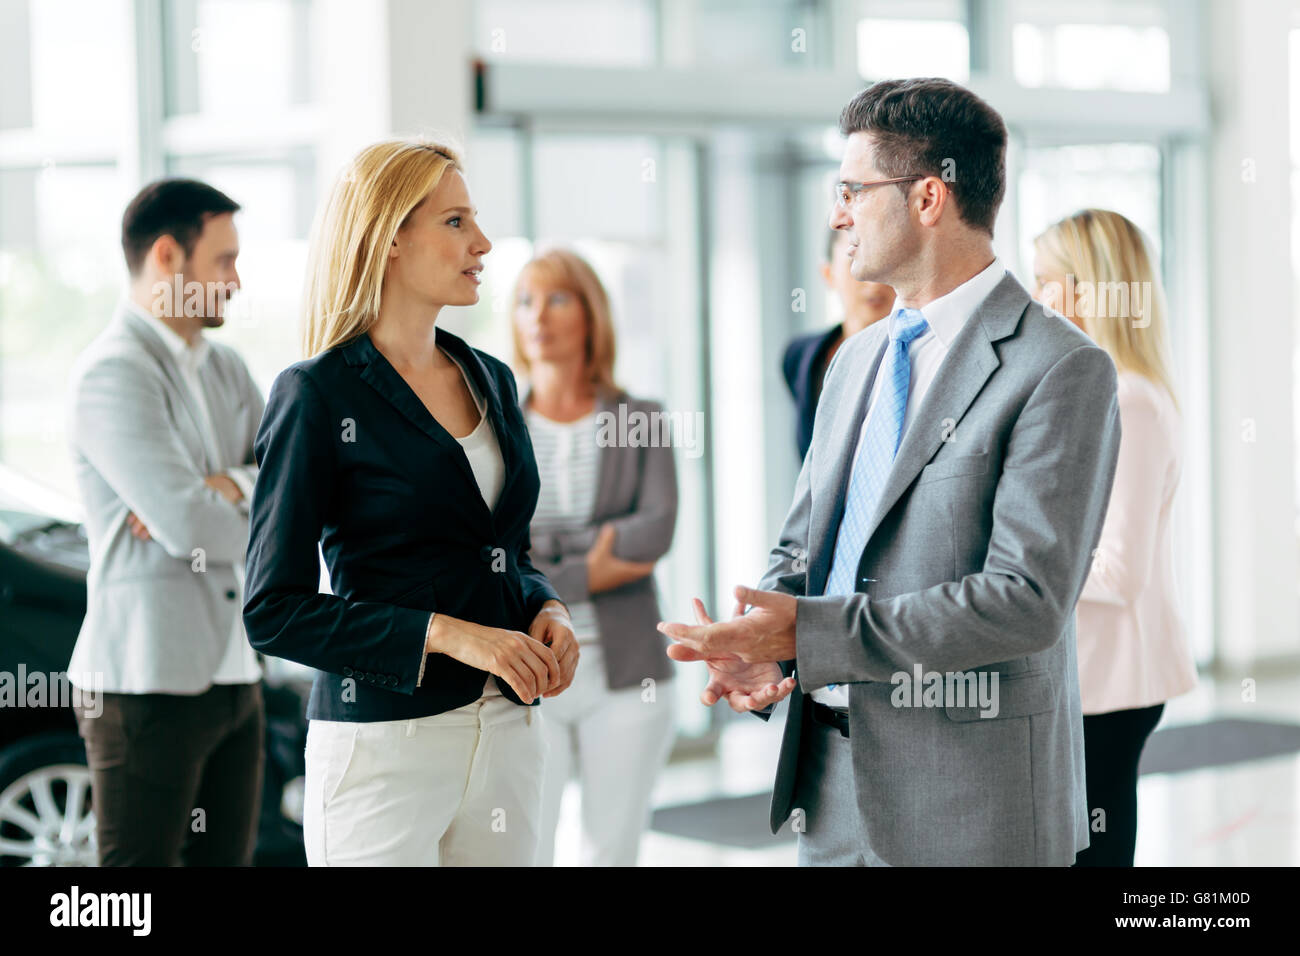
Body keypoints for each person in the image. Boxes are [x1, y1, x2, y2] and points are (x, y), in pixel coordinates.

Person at [660, 77, 1123, 866]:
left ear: (928, 198)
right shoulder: (859, 359)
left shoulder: (1060, 368)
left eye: (852, 190)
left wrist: (812, 635)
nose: (839, 212)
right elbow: (807, 547)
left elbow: (1025, 603)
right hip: (831, 794)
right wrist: (767, 645)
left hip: (972, 806)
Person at [242, 138, 578, 867]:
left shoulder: (490, 377)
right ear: (390, 238)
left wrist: (545, 606)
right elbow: (274, 611)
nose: (483, 243)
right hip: (383, 749)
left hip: (508, 740)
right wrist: (451, 634)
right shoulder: (317, 394)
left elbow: (506, 549)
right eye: (456, 221)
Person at [67, 178, 266, 866]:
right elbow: (191, 527)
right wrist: (216, 502)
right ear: (166, 257)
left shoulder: (229, 369)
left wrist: (229, 485)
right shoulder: (112, 374)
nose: (237, 281)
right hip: (143, 680)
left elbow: (293, 484)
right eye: (224, 261)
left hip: (236, 672)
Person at [1032, 208, 1197, 866]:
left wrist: (1021, 581)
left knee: (1097, 851)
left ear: (1089, 286)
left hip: (1112, 682)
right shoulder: (1115, 391)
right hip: (1098, 677)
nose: (1038, 296)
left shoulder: (1131, 401)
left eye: (1048, 278)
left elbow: (1121, 570)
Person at [513, 249, 679, 867]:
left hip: (625, 674)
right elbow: (493, 547)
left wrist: (547, 560)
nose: (539, 316)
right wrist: (593, 561)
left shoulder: (641, 419)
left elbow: (652, 534)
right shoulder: (499, 423)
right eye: (526, 301)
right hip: (530, 670)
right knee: (527, 846)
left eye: (558, 299)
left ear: (591, 316)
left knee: (611, 851)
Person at [782, 228, 895, 460]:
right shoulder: (801, 357)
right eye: (854, 261)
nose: (873, 283)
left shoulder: (917, 357)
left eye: (883, 262)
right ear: (828, 274)